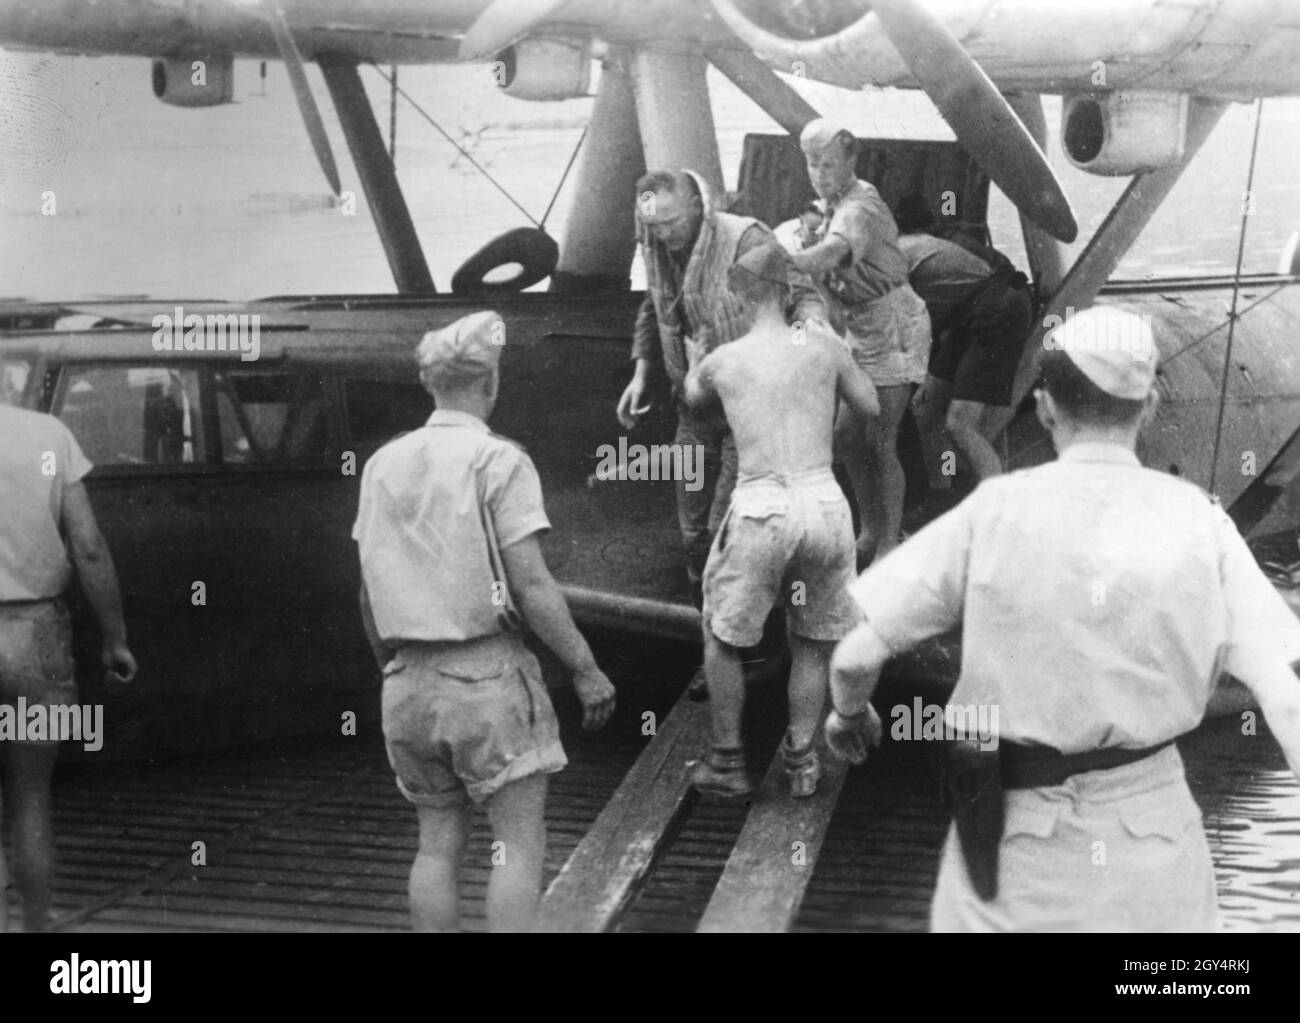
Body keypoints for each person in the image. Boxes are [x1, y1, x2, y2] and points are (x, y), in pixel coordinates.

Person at [824, 305, 1300, 932]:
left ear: (1046, 407)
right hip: (1154, 844)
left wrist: (849, 714)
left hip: (1013, 847)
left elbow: (856, 655)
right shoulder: (1199, 519)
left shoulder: (995, 510)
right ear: (1150, 405)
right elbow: (1282, 691)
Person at [353, 311, 615, 932]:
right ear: (490, 381)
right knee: (516, 847)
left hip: (406, 684)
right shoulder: (499, 461)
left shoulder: (383, 464)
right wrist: (584, 667)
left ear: (430, 384)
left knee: (436, 844)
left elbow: (366, 592)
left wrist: (396, 669)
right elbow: (530, 584)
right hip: (486, 680)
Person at [618, 168, 828, 698]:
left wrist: (804, 347)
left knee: (730, 533)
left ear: (696, 205)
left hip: (749, 413)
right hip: (692, 410)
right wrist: (643, 368)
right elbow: (655, 306)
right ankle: (719, 650)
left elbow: (803, 296)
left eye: (671, 221)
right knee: (692, 536)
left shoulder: (747, 238)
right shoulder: (653, 242)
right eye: (654, 224)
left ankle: (765, 648)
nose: (664, 233)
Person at [683, 244, 880, 798]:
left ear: (737, 291)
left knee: (721, 632)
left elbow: (693, 397)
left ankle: (726, 761)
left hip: (760, 505)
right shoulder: (822, 348)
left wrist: (698, 352)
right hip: (823, 502)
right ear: (788, 288)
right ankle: (802, 761)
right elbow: (870, 406)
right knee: (813, 641)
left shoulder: (726, 359)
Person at [0, 403, 138, 933]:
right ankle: (35, 924)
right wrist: (115, 638)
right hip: (38, 636)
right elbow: (89, 547)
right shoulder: (48, 435)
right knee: (32, 797)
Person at [789, 119, 932, 563]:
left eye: (829, 164)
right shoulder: (830, 204)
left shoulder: (860, 204)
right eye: (812, 164)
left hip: (892, 325)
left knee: (880, 438)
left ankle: (890, 540)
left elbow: (829, 255)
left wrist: (777, 262)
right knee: (848, 440)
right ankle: (870, 529)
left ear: (851, 160)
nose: (819, 173)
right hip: (860, 327)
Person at [895, 195, 1034, 487]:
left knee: (960, 424)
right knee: (926, 409)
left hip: (997, 313)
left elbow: (907, 318)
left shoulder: (901, 252)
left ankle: (994, 505)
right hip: (973, 313)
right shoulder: (948, 240)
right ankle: (942, 493)